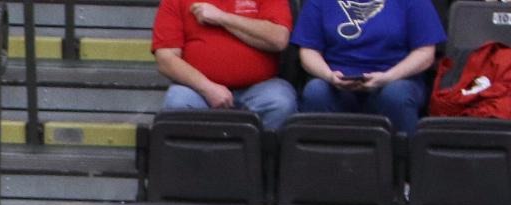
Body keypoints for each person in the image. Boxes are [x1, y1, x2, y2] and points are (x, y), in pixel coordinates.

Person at [292, 0, 443, 132]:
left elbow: (425, 52)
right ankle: (321, 162)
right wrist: (329, 76)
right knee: (316, 91)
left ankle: (405, 161)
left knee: (396, 95)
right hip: (337, 82)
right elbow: (308, 51)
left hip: (397, 79)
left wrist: (387, 77)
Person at [151, 0, 295, 128]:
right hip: (198, 90)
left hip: (260, 88)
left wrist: (222, 18)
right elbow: (166, 59)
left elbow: (278, 39)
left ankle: (263, 158)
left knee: (280, 102)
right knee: (178, 101)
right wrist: (208, 88)